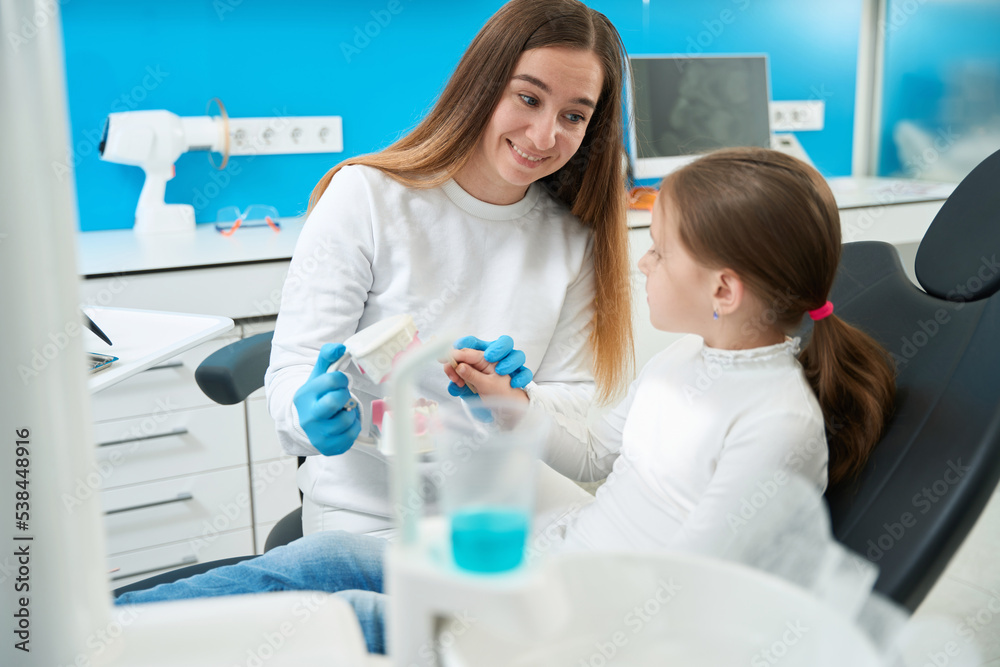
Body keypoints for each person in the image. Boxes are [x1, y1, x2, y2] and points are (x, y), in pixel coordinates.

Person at [116, 147, 897, 654]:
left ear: (723, 288)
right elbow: (597, 454)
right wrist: (508, 404)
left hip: (573, 629)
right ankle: (96, 631)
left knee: (341, 619)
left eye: (660, 249)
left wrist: (512, 601)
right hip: (549, 568)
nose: (644, 263)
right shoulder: (688, 361)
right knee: (322, 559)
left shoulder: (778, 425)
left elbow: (680, 597)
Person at [269, 0, 634, 537]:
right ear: (483, 86)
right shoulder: (367, 197)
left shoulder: (572, 239)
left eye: (573, 116)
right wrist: (308, 415)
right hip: (374, 516)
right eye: (528, 98)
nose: (542, 135)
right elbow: (292, 372)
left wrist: (518, 400)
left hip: (502, 508)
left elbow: (577, 405)